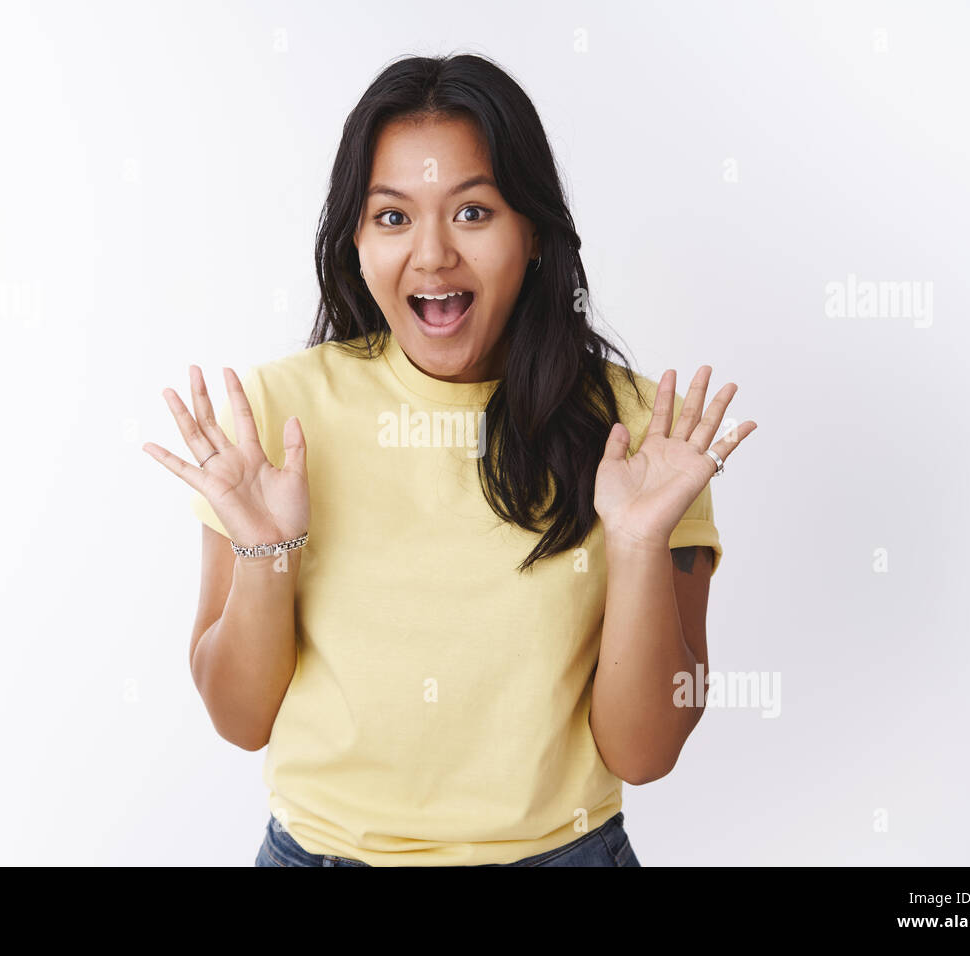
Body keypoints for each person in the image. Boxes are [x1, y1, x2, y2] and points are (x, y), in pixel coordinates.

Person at [143, 52, 757, 867]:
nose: (431, 256)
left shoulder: (644, 434)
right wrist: (265, 552)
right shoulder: (276, 419)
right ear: (355, 238)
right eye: (392, 217)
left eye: (473, 212)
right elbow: (239, 720)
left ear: (532, 231)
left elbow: (645, 754)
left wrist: (640, 544)